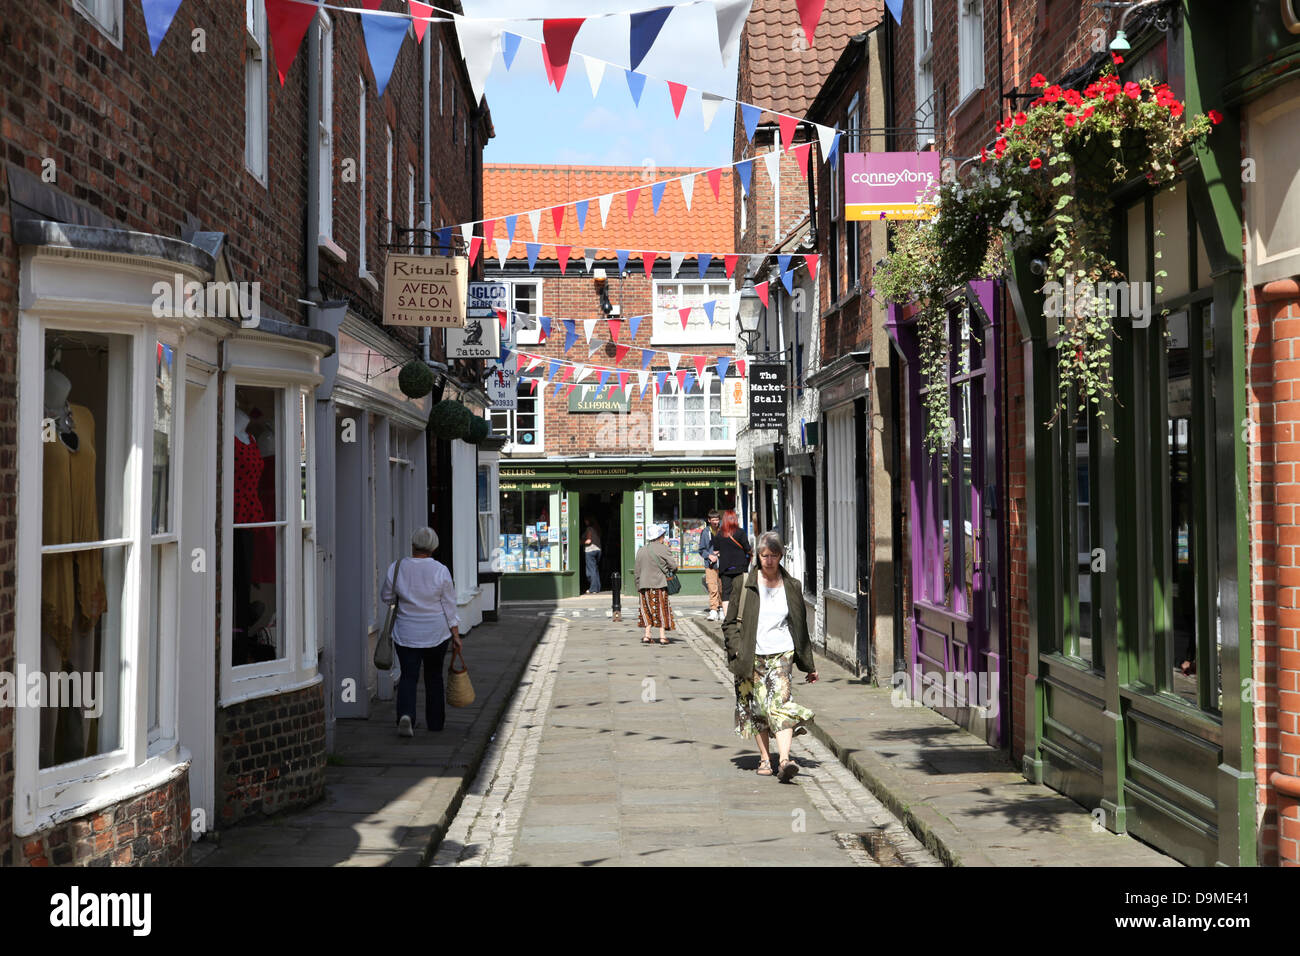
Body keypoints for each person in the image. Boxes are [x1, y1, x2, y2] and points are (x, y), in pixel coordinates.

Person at [722, 531, 818, 782]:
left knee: (780, 705)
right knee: (759, 708)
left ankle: (784, 760)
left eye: (774, 555)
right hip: (751, 655)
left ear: (781, 556)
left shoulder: (792, 586)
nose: (769, 560)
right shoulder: (744, 584)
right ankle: (765, 757)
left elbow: (799, 626)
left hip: (781, 654)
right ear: (757, 556)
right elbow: (730, 623)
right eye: (764, 555)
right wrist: (737, 649)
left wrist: (808, 665)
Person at [381, 527, 462, 737]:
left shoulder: (397, 567)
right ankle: (435, 723)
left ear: (413, 545)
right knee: (434, 676)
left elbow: (386, 598)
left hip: (406, 632)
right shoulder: (440, 570)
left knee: (408, 676)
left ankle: (406, 715)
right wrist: (455, 634)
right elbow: (449, 606)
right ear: (434, 547)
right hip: (436, 633)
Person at [634, 523, 677, 645]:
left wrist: (638, 585)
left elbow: (637, 571)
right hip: (659, 584)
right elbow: (674, 566)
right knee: (661, 609)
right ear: (660, 536)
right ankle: (662, 636)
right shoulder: (663, 549)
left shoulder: (641, 550)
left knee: (646, 610)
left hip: (644, 585)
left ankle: (647, 635)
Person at [714, 509, 752, 619]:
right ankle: (739, 616)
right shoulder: (740, 532)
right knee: (740, 591)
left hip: (725, 568)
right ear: (735, 519)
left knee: (726, 593)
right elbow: (747, 548)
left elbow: (716, 550)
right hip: (740, 567)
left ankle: (727, 618)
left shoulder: (719, 534)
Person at [698, 509, 723, 621]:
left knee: (722, 588)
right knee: (712, 587)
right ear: (709, 520)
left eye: (717, 520)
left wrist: (721, 553)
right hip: (710, 564)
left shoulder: (723, 531)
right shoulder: (705, 532)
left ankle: (722, 609)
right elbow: (701, 549)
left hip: (723, 564)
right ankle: (713, 610)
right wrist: (709, 556)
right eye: (713, 520)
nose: (715, 522)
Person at [582, 516, 602, 594]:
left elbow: (588, 541)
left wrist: (580, 542)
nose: (585, 521)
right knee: (595, 569)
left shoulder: (589, 528)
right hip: (598, 550)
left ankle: (593, 588)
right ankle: (597, 587)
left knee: (590, 571)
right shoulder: (597, 529)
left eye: (586, 520)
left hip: (590, 550)